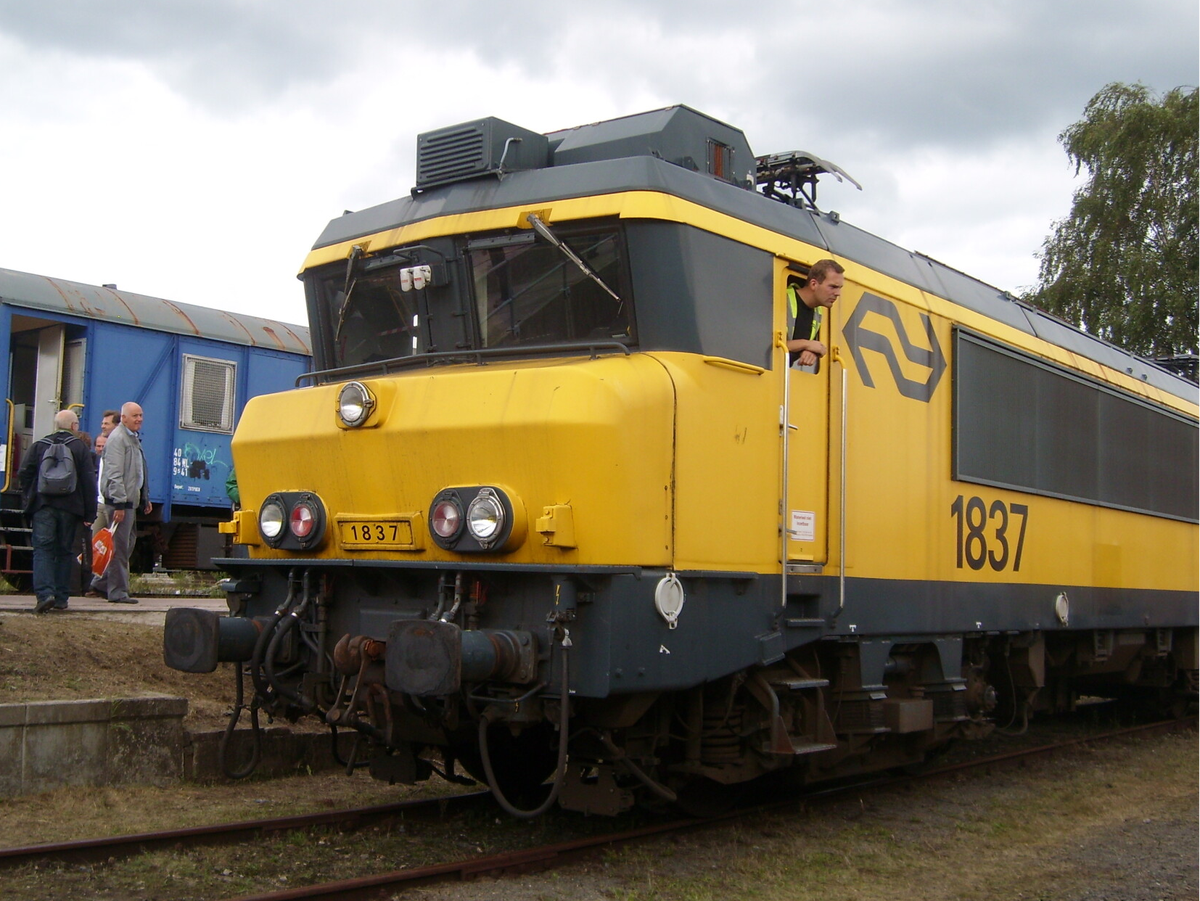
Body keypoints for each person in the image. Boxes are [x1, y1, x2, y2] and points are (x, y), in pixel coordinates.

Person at [17, 409, 98, 614]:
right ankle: (62, 597)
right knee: (64, 551)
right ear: (73, 426)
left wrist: (30, 497)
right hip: (70, 508)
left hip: (43, 506)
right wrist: (90, 513)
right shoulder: (80, 448)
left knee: (43, 550)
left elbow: (24, 473)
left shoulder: (40, 445)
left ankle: (44, 595)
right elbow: (89, 482)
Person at [88, 402, 151, 605]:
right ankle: (117, 592)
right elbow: (114, 474)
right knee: (119, 548)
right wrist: (119, 504)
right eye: (135, 416)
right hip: (120, 503)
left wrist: (143, 497)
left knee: (128, 544)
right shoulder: (118, 440)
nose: (139, 419)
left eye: (141, 415)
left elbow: (138, 472)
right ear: (123, 418)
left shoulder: (131, 439)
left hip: (129, 502)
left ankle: (101, 583)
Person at [786, 259, 845, 368]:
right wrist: (807, 344)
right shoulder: (783, 300)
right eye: (833, 287)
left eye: (840, 288)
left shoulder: (818, 311)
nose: (838, 294)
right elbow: (767, 343)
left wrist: (811, 350)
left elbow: (819, 347)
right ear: (813, 284)